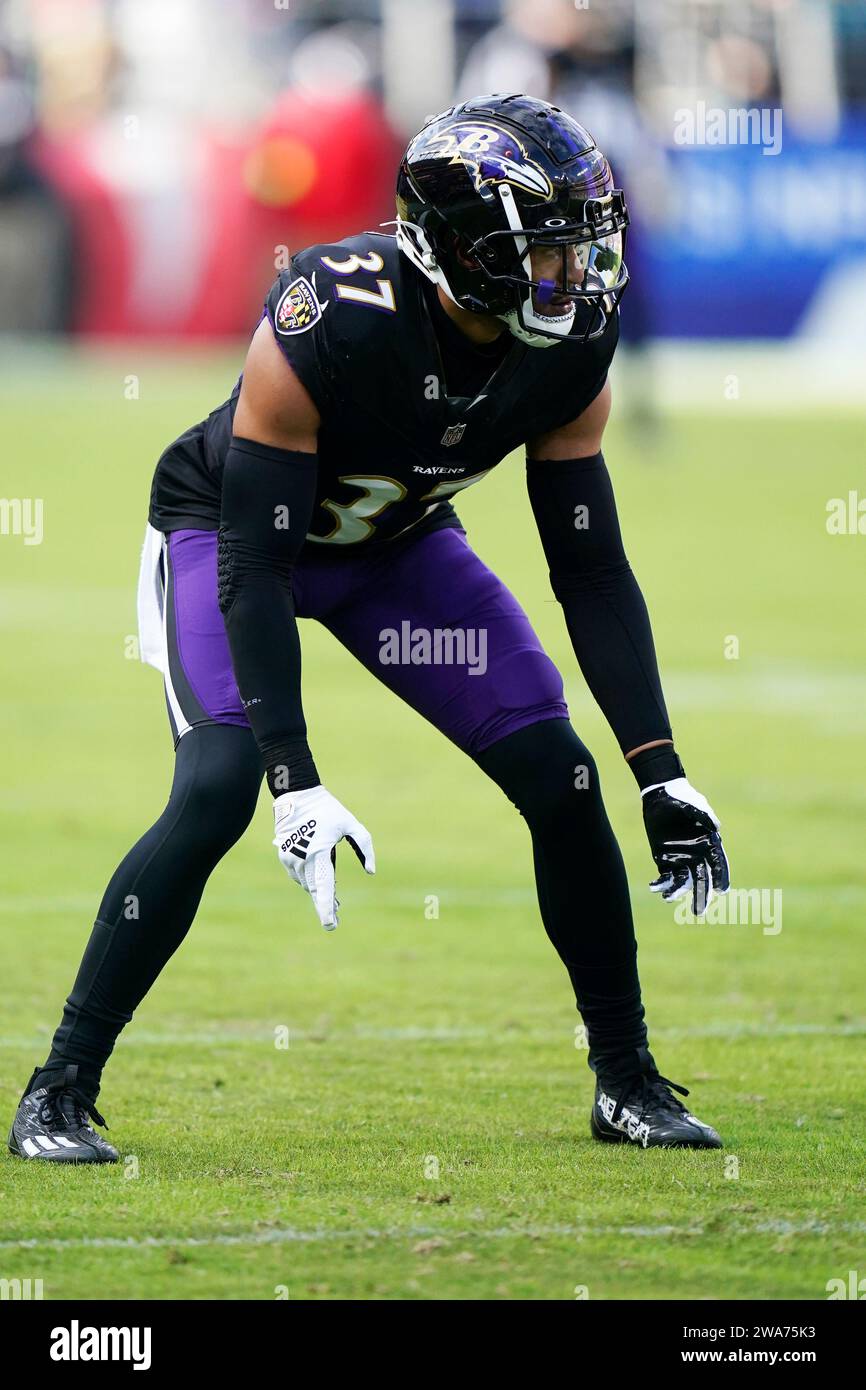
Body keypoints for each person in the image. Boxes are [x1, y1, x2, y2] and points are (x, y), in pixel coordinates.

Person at [9, 94, 729, 1164]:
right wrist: (292, 778)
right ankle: (58, 1088)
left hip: (391, 548)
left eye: (578, 243)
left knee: (563, 776)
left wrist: (658, 769)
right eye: (539, 246)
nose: (570, 273)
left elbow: (585, 562)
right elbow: (254, 566)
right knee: (213, 790)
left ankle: (624, 1082)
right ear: (454, 247)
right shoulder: (332, 312)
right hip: (233, 537)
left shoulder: (570, 342)